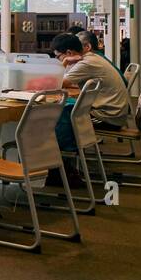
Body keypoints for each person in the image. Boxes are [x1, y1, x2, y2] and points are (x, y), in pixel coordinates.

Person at [50, 32, 132, 183]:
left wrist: (65, 63)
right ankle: (61, 162)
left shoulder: (86, 63)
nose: (58, 60)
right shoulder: (91, 58)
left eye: (57, 56)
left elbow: (57, 82)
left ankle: (60, 162)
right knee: (64, 108)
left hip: (108, 117)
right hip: (114, 111)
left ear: (68, 53)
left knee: (59, 115)